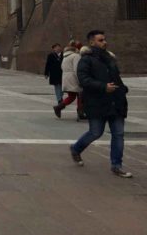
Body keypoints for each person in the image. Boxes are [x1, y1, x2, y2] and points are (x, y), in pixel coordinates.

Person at [70, 30, 132, 178]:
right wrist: (103, 87)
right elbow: (84, 80)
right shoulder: (86, 60)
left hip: (115, 102)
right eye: (101, 40)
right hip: (97, 102)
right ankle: (76, 148)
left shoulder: (110, 58)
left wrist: (123, 89)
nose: (105, 42)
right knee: (95, 132)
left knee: (118, 134)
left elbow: (116, 78)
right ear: (92, 42)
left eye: (104, 39)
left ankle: (116, 165)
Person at [55, 41, 85, 121]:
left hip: (66, 78)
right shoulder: (76, 56)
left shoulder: (66, 56)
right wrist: (80, 80)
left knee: (71, 96)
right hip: (74, 79)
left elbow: (62, 67)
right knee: (80, 95)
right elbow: (77, 69)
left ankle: (58, 107)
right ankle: (80, 113)